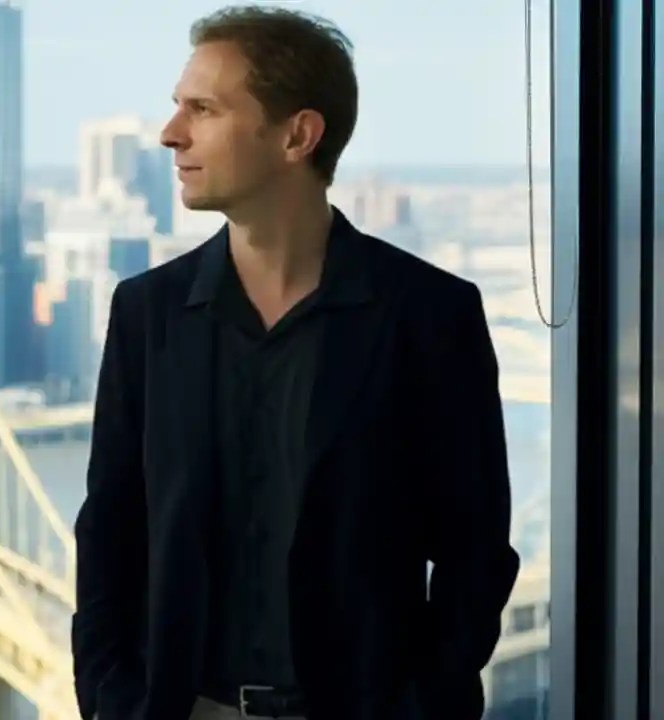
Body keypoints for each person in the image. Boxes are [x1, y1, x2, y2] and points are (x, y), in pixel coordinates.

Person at [70, 6, 521, 720]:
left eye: (204, 109)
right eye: (176, 107)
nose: (170, 133)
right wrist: (110, 699)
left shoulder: (430, 316)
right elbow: (109, 532)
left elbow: (475, 553)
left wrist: (422, 705)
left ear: (297, 135)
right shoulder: (146, 314)